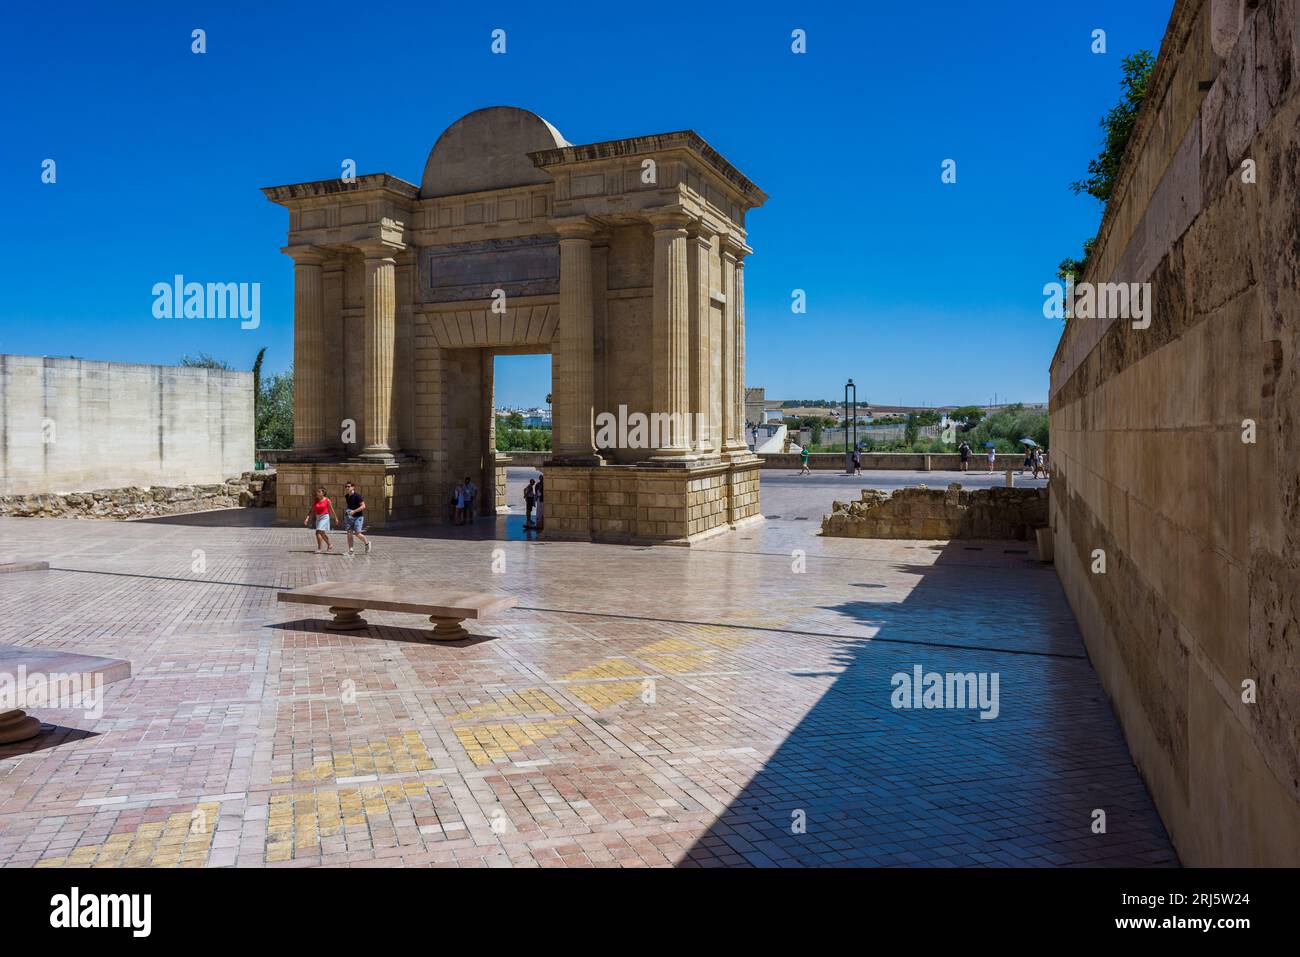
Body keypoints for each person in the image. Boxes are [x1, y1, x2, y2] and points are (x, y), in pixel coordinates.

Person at [303, 487, 338, 553]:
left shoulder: (327, 500)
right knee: (322, 533)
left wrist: (336, 518)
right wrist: (307, 518)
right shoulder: (316, 500)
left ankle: (319, 548)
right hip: (318, 517)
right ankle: (330, 544)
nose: (317, 493)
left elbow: (332, 510)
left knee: (318, 532)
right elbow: (312, 510)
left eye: (319, 492)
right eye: (317, 492)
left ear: (323, 493)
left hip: (325, 517)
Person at [342, 481, 371, 555]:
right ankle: (351, 550)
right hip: (349, 517)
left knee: (357, 533)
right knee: (349, 533)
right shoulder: (347, 496)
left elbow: (363, 506)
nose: (347, 488)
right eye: (346, 486)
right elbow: (350, 506)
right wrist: (348, 511)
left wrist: (354, 511)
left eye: (348, 486)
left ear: (353, 487)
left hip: (358, 517)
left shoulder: (358, 496)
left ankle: (367, 543)